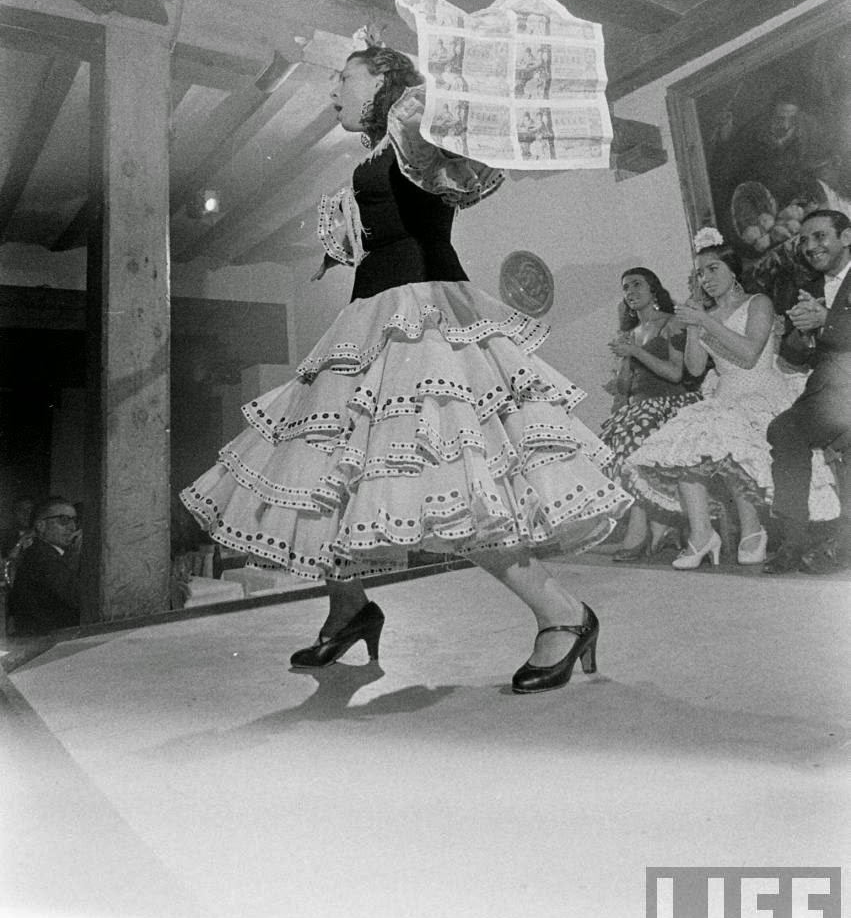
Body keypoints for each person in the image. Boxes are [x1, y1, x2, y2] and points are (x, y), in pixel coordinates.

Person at [182, 45, 631, 693]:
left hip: (421, 315)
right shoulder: (373, 152)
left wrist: (426, 102)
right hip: (372, 312)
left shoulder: (416, 124)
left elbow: (463, 169)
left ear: (384, 81)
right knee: (326, 464)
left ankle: (562, 613)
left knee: (455, 480)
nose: (332, 88)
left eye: (344, 76)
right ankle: (349, 607)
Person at [623, 231, 835, 569]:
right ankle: (701, 533)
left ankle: (753, 530)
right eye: (700, 273)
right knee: (686, 445)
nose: (706, 279)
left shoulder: (758, 303)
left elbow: (750, 353)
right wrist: (695, 327)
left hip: (761, 390)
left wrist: (705, 320)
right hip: (725, 391)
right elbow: (694, 367)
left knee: (728, 440)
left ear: (733, 271)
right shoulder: (704, 316)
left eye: (713, 269)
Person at [764, 209, 851, 574]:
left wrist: (825, 319)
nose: (811, 247)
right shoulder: (813, 288)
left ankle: (844, 543)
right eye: (804, 240)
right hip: (831, 393)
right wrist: (800, 332)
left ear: (846, 237)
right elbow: (798, 356)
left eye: (820, 237)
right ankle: (794, 540)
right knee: (784, 429)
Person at [600, 268, 702, 562]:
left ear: (653, 290)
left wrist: (637, 352)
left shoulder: (670, 324)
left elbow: (675, 373)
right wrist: (623, 357)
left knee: (634, 448)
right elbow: (625, 386)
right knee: (609, 450)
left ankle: (641, 529)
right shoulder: (630, 333)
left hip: (670, 404)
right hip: (639, 406)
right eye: (625, 288)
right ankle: (652, 526)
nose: (630, 291)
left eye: (636, 285)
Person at [8, 496, 81, 634]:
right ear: (41, 526)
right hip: (48, 641)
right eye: (64, 520)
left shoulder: (44, 553)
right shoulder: (44, 558)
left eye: (75, 521)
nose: (72, 527)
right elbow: (80, 599)